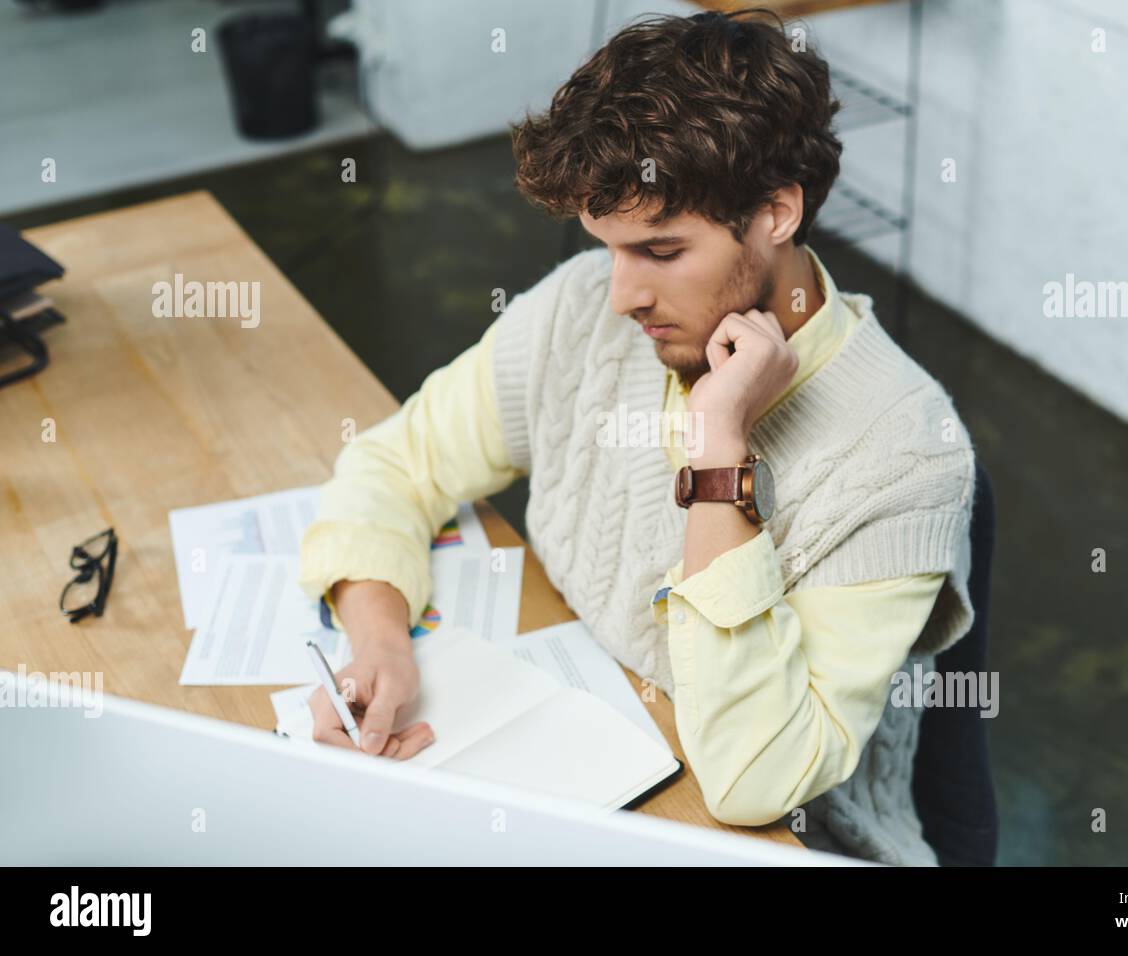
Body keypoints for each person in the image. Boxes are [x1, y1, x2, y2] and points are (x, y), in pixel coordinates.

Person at [298, 8, 975, 865]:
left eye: (660, 250)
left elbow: (751, 782)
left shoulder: (907, 457)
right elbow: (395, 462)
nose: (621, 295)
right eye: (608, 247)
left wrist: (720, 453)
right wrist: (381, 643)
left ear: (777, 211)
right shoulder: (588, 306)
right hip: (582, 747)